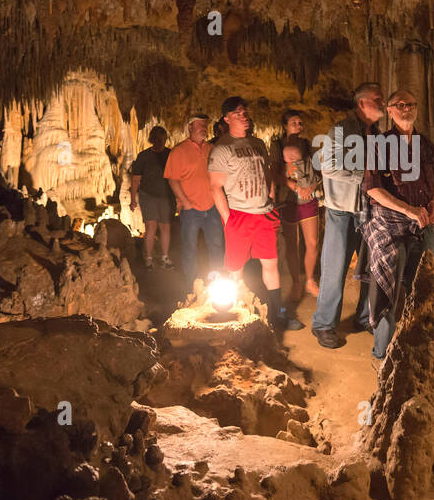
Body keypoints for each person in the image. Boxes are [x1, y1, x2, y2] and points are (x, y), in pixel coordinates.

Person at [362, 89, 434, 361]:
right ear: (389, 110)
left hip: (423, 226)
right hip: (391, 226)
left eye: (410, 104)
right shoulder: (380, 144)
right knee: (390, 289)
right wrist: (408, 210)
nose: (406, 108)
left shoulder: (425, 144)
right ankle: (383, 352)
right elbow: (373, 189)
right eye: (400, 104)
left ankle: (416, 345)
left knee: (423, 285)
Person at [208, 96, 303, 331]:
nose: (244, 116)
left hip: (263, 213)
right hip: (239, 215)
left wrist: (270, 198)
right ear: (227, 118)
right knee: (235, 268)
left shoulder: (259, 143)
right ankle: (239, 311)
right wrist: (228, 219)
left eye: (245, 112)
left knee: (271, 264)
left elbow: (267, 173)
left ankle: (277, 313)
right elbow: (215, 187)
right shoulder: (222, 148)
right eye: (238, 113)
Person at [310, 82, 386, 349]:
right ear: (362, 103)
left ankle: (364, 317)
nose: (383, 102)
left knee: (369, 268)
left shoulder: (377, 133)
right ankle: (323, 324)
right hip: (342, 209)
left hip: (369, 210)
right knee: (335, 267)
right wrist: (364, 177)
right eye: (378, 98)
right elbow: (328, 166)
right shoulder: (341, 130)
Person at [164, 114, 224, 282]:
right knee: (190, 247)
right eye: (200, 125)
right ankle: (192, 283)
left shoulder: (210, 149)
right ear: (190, 127)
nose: (204, 128)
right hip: (191, 209)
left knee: (217, 245)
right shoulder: (179, 151)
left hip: (212, 207)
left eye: (205, 125)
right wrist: (186, 203)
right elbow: (172, 179)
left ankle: (217, 280)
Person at [276, 135, 323, 303]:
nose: (298, 126)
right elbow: (279, 176)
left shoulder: (306, 147)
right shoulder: (279, 148)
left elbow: (318, 174)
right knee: (292, 244)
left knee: (312, 242)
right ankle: (296, 282)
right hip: (290, 202)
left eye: (299, 122)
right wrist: (297, 188)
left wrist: (311, 186)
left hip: (308, 202)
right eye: (294, 122)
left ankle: (309, 281)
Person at [129, 125, 174, 268]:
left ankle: (165, 258)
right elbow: (136, 179)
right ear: (152, 139)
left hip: (167, 196)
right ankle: (148, 258)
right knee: (151, 227)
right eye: (157, 139)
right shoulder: (144, 156)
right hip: (148, 196)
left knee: (165, 227)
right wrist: (132, 200)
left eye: (162, 139)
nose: (160, 142)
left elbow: (178, 177)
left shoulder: (171, 154)